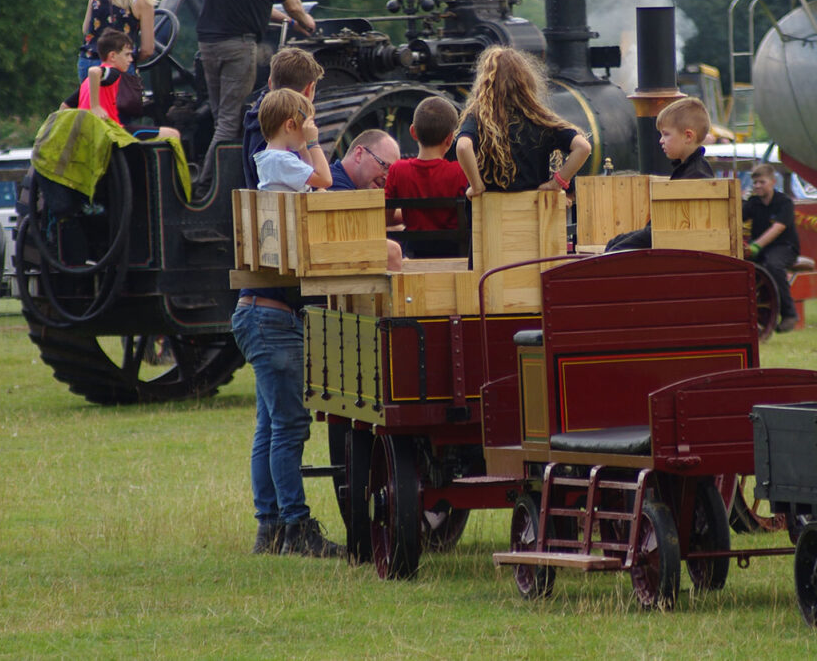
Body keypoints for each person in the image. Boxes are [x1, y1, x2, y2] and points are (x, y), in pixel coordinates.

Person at [230, 127, 401, 558]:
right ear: (359, 153)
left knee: (270, 428)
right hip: (273, 318)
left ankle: (270, 529)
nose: (385, 177)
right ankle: (295, 528)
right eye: (384, 166)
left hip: (258, 313)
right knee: (288, 429)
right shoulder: (328, 188)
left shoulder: (289, 185)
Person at [194, 0, 317, 189]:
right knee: (229, 121)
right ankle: (206, 188)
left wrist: (287, 21)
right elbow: (293, 4)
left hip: (208, 46)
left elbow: (254, 5)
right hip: (237, 46)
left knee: (220, 119)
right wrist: (307, 22)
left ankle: (219, 179)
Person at [455, 46, 591, 196]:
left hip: (489, 216)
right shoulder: (539, 119)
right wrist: (557, 182)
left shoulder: (479, 117)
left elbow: (463, 146)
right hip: (534, 216)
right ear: (526, 82)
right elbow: (583, 147)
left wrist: (477, 186)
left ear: (486, 83)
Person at [605, 97, 716, 252]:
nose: (661, 141)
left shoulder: (695, 176)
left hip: (679, 253)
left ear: (688, 136)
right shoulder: (685, 169)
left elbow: (665, 229)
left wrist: (619, 248)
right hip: (666, 242)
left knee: (615, 251)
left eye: (666, 134)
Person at [385, 97, 468, 258]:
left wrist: (414, 211)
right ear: (450, 138)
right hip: (455, 256)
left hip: (414, 255)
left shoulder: (398, 170)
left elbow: (386, 219)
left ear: (413, 132)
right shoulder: (460, 171)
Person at [63, 29, 181, 141]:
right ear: (113, 56)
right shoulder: (112, 73)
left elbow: (64, 107)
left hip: (90, 135)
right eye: (127, 55)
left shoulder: (86, 83)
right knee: (172, 134)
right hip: (112, 133)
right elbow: (94, 71)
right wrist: (95, 106)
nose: (130, 60)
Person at [240, 47, 325, 190]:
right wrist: (312, 144)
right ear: (309, 89)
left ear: (270, 83)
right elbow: (322, 180)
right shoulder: (283, 130)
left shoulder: (262, 118)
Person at [744, 162, 802, 333]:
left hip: (785, 247)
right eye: (755, 183)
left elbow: (778, 228)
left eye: (762, 182)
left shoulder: (784, 202)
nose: (757, 186)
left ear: (772, 181)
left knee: (773, 266)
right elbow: (736, 216)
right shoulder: (753, 203)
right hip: (762, 249)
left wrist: (755, 246)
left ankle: (789, 314)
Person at [253, 89, 333, 192]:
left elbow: (311, 170)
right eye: (303, 129)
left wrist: (303, 147)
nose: (306, 135)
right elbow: (325, 180)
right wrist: (313, 143)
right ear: (290, 125)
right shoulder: (282, 160)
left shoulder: (268, 159)